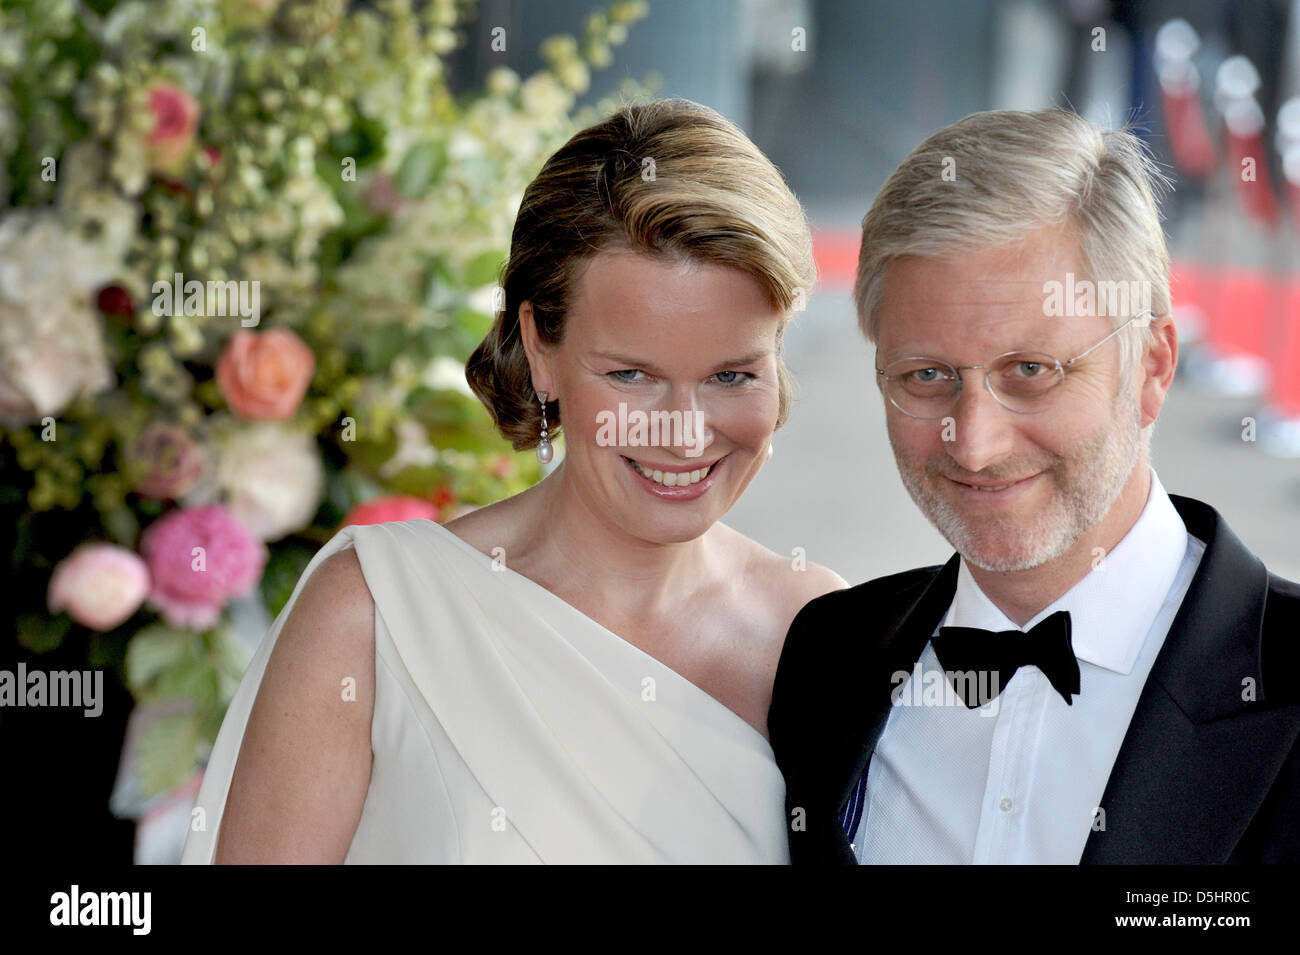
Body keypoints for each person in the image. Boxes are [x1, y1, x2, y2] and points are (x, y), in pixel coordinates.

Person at [181, 98, 846, 864]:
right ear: (539, 347)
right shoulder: (376, 614)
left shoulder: (824, 632)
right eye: (631, 374)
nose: (684, 428)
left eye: (733, 374)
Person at [769, 108, 1300, 864]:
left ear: (1151, 366)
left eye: (1031, 371)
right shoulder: (826, 659)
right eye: (929, 376)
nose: (976, 444)